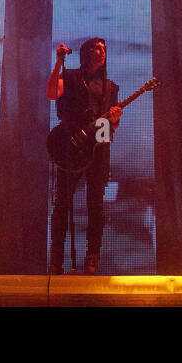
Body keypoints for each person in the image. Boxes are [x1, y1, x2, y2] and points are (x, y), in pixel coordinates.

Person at [46, 38, 121, 275]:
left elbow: (111, 128)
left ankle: (92, 258)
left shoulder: (111, 88)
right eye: (96, 48)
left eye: (104, 50)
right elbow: (51, 93)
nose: (101, 53)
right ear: (86, 53)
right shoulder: (70, 77)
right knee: (62, 204)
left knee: (96, 205)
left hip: (98, 150)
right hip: (70, 147)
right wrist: (59, 63)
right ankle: (56, 260)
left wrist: (115, 120)